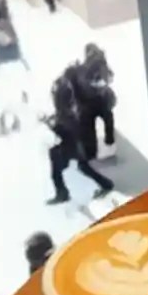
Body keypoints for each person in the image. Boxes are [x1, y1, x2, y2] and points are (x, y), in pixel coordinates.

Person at [44, 65, 114, 204]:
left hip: (69, 135)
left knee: (60, 163)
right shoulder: (72, 90)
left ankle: (63, 193)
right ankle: (105, 184)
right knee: (81, 165)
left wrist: (53, 124)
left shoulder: (66, 91)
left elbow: (66, 116)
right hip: (74, 134)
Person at [73, 43, 116, 161]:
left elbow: (83, 81)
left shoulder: (88, 65)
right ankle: (109, 143)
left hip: (90, 101)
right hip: (100, 100)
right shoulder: (101, 63)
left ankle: (91, 152)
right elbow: (110, 77)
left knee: (88, 126)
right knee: (107, 119)